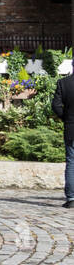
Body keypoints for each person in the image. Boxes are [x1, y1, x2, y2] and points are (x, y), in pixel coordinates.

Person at [52, 72, 74, 208]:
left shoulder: (63, 83)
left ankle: (72, 197)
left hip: (71, 127)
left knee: (72, 162)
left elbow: (56, 105)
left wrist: (66, 118)